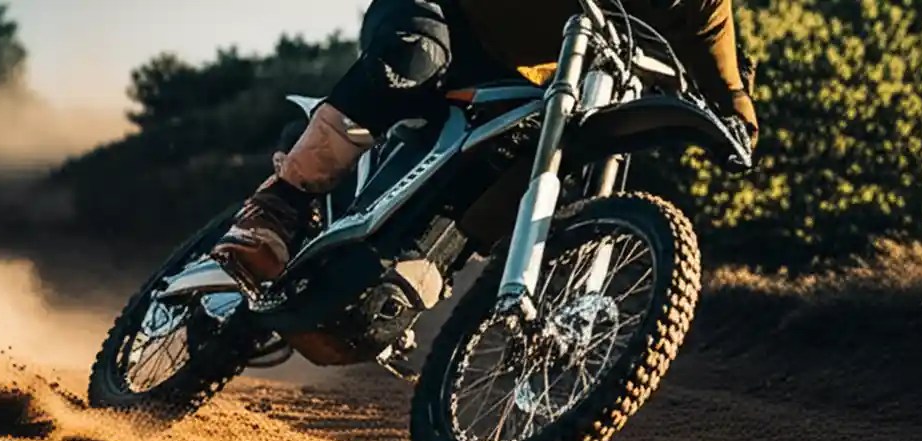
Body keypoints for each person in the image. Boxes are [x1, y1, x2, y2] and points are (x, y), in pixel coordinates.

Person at [213, 0, 759, 282]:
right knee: (414, 58)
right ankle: (278, 207)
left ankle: (418, 261)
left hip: (513, 76)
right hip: (438, 13)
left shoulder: (702, 4)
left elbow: (726, 81)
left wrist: (740, 128)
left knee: (522, 144)